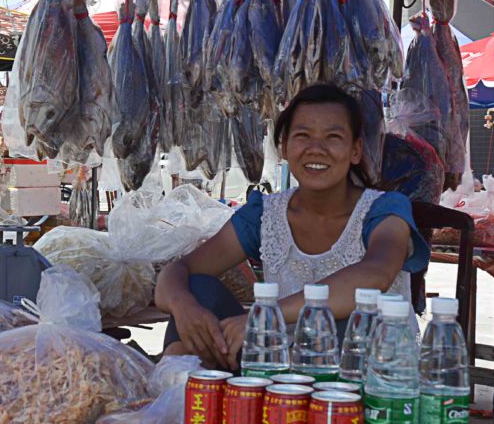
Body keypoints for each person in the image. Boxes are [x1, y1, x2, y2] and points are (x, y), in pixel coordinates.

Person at [154, 83, 430, 370]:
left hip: (369, 370)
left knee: (354, 314)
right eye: (303, 136)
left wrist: (265, 315)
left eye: (333, 137)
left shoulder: (385, 210)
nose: (316, 149)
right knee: (197, 289)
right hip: (283, 365)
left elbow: (375, 274)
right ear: (284, 148)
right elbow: (177, 272)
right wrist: (182, 305)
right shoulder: (265, 214)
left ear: (356, 150)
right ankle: (176, 381)